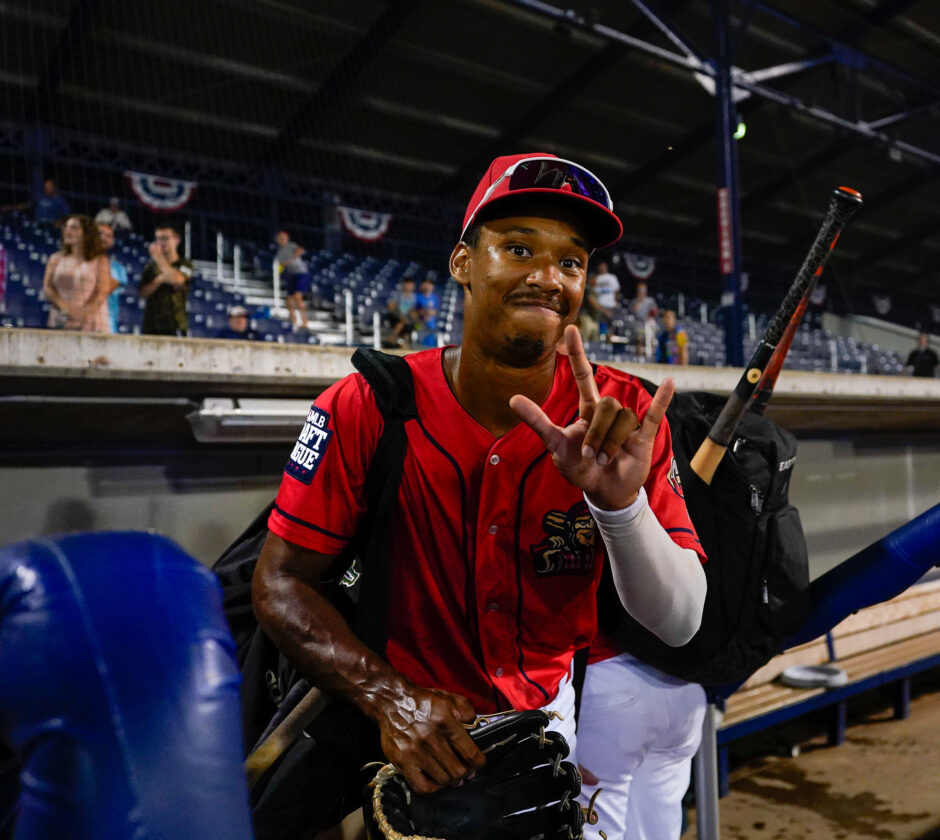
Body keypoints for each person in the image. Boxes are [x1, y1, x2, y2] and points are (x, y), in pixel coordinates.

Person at [252, 152, 706, 836]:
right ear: (464, 263)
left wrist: (619, 506)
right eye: (518, 247)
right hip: (395, 725)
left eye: (572, 261)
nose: (548, 278)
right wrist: (391, 702)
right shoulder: (366, 405)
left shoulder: (624, 415)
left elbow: (679, 621)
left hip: (546, 721)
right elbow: (280, 583)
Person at [41, 215, 112, 332]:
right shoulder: (56, 258)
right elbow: (47, 287)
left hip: (91, 321)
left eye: (74, 227)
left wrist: (83, 315)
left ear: (87, 233)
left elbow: (102, 290)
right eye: (66, 227)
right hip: (61, 319)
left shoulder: (100, 260)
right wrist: (66, 309)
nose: (67, 230)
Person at [139, 224, 193, 336]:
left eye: (165, 238)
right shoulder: (150, 267)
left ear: (177, 240)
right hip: (151, 325)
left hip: (176, 324)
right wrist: (159, 280)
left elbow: (178, 279)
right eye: (157, 239)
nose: (161, 243)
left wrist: (159, 259)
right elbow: (143, 292)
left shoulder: (185, 264)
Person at [274, 231, 311, 330]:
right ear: (277, 240)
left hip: (301, 274)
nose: (282, 240)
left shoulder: (292, 246)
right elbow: (280, 266)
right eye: (280, 238)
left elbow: (300, 250)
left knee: (297, 296)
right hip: (291, 275)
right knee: (289, 300)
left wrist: (290, 259)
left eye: (284, 238)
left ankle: (304, 322)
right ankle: (294, 322)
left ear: (287, 239)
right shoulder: (279, 253)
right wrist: (280, 267)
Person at [97, 222, 129, 334]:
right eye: (99, 233)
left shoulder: (118, 268)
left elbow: (104, 289)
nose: (103, 238)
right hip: (78, 323)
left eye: (108, 236)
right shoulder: (77, 262)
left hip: (106, 326)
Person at [382, 276, 418, 347]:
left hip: (406, 318)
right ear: (404, 284)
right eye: (408, 284)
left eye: (411, 284)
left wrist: (414, 316)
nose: (410, 286)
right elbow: (391, 307)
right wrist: (400, 316)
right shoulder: (396, 294)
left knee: (412, 326)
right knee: (400, 323)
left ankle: (403, 344)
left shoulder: (413, 297)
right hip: (394, 316)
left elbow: (412, 310)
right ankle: (390, 340)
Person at [415, 275, 441, 346]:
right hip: (419, 325)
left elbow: (435, 311)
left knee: (430, 347)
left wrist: (428, 312)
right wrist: (424, 312)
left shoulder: (435, 297)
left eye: (430, 284)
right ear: (421, 285)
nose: (428, 285)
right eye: (425, 283)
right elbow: (414, 312)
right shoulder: (417, 296)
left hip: (432, 326)